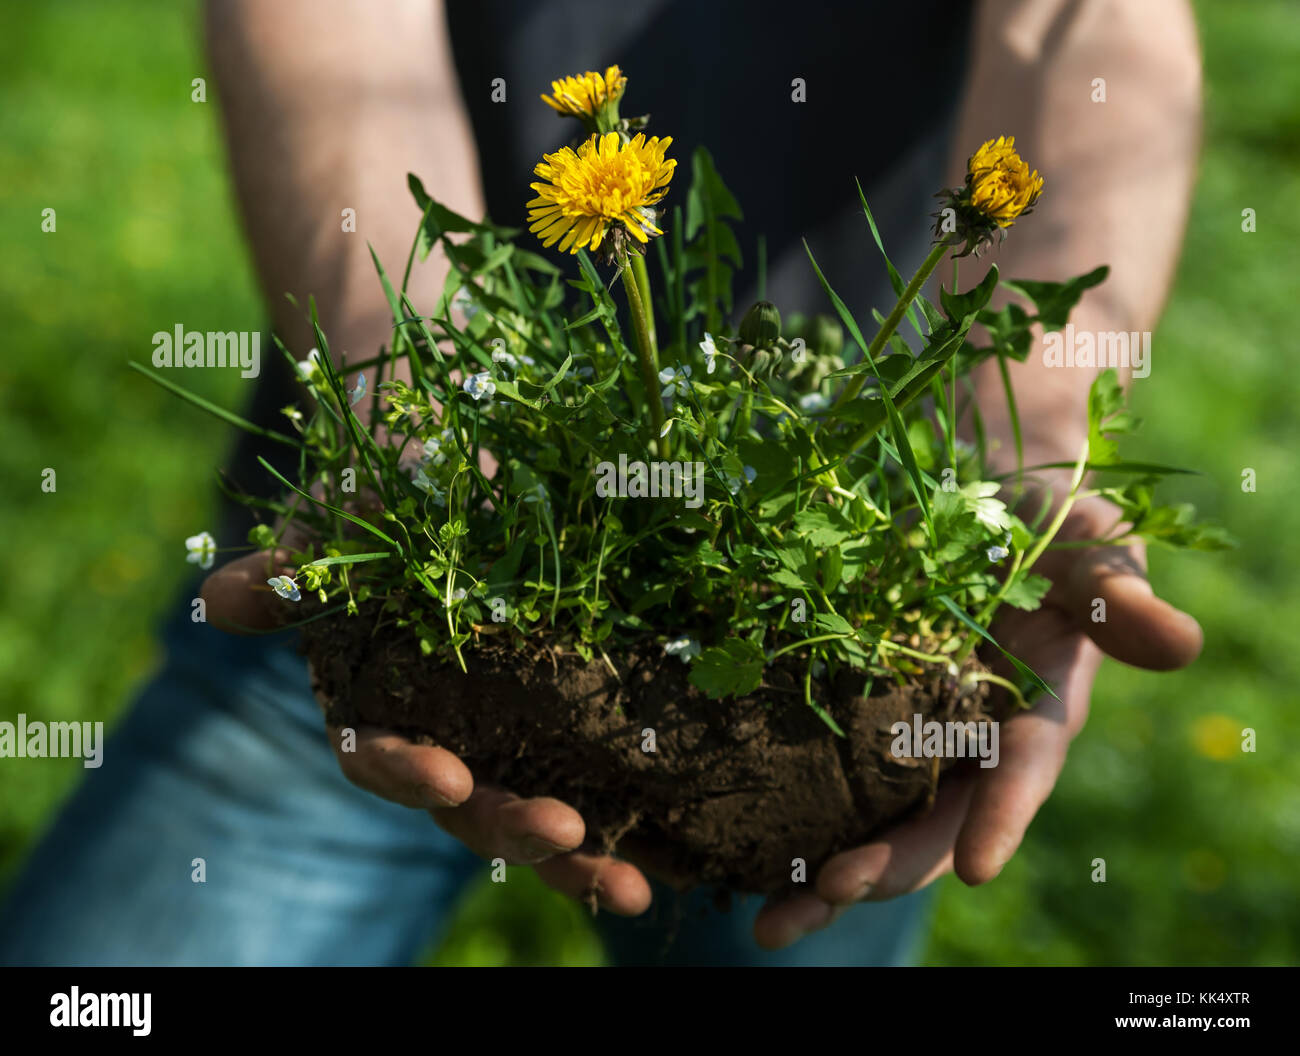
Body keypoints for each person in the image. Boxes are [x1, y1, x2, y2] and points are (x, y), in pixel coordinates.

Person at [0, 0, 1204, 965]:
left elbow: (1082, 16)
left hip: (846, 679)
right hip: (378, 571)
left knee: (825, 874)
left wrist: (1028, 426)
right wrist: (406, 393)